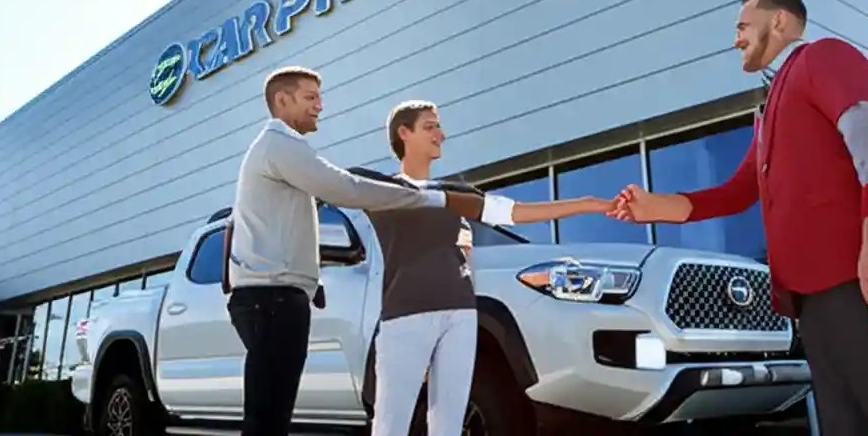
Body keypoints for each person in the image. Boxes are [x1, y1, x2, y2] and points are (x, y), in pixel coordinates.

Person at [608, 0, 868, 436]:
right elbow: (735, 194)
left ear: (778, 23)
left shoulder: (823, 57)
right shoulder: (769, 110)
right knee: (847, 426)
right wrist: (653, 207)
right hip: (815, 299)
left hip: (865, 278)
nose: (735, 40)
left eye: (741, 26)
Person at [223, 67, 491, 436]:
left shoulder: (276, 151)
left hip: (271, 298)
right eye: (310, 97)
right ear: (282, 101)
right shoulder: (280, 145)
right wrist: (427, 198)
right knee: (268, 418)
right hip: (272, 300)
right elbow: (345, 188)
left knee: (269, 415)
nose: (320, 106)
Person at [365, 100, 613, 436]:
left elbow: (516, 213)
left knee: (449, 424)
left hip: (459, 317)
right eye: (430, 126)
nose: (441, 134)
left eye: (439, 126)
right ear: (404, 133)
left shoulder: (456, 196)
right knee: (390, 425)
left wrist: (588, 204)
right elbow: (318, 179)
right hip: (405, 318)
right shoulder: (378, 190)